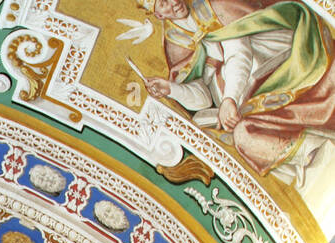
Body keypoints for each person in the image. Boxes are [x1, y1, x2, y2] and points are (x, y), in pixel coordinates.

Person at [140, 0, 335, 190]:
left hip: (272, 60)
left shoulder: (212, 6)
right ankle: (306, 153)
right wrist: (171, 89)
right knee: (234, 131)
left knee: (244, 120)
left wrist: (229, 99)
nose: (174, 2)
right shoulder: (176, 43)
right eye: (163, 3)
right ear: (159, 14)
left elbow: (239, 52)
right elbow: (203, 96)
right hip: (240, 92)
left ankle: (310, 150)